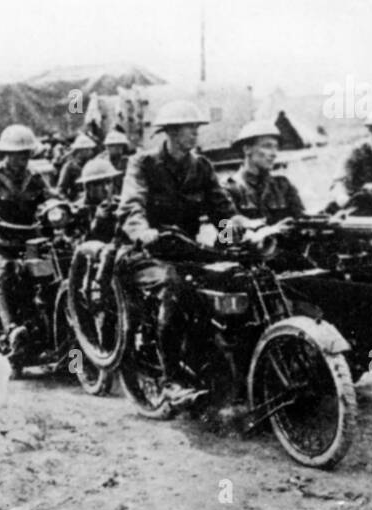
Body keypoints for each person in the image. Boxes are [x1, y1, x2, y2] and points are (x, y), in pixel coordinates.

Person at [117, 100, 248, 408]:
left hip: (186, 249)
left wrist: (237, 232)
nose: (195, 134)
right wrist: (142, 232)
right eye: (190, 129)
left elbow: (221, 211)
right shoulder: (143, 163)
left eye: (197, 128)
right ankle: (171, 380)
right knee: (173, 286)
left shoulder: (201, 166)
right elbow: (131, 205)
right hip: (146, 252)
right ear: (172, 132)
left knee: (233, 277)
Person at [0, 124, 59, 361]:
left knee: (56, 272)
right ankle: (12, 331)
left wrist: (61, 210)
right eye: (18, 154)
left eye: (26, 153)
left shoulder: (35, 176)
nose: (23, 159)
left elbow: (51, 199)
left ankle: (56, 334)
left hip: (32, 240)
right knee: (0, 273)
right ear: (6, 154)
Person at [224, 120, 305, 223]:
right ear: (247, 149)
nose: (274, 153)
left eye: (276, 147)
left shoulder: (283, 186)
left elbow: (301, 221)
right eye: (267, 146)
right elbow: (226, 236)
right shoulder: (229, 189)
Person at [57, 133, 99, 202]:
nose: (91, 152)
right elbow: (61, 190)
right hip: (77, 201)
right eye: (88, 149)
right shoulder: (69, 167)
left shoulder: (92, 164)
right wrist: (68, 203)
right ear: (80, 150)